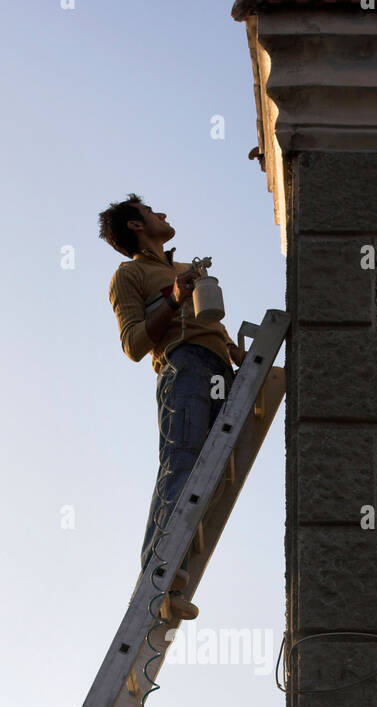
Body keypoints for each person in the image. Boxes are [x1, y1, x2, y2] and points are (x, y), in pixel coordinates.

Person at [100, 195, 246, 620]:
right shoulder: (129, 274)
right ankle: (158, 575)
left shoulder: (184, 270)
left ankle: (173, 574)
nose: (162, 214)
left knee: (214, 474)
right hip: (183, 367)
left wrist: (234, 350)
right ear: (135, 226)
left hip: (221, 370)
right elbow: (133, 344)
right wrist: (174, 298)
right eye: (152, 212)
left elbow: (210, 322)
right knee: (182, 462)